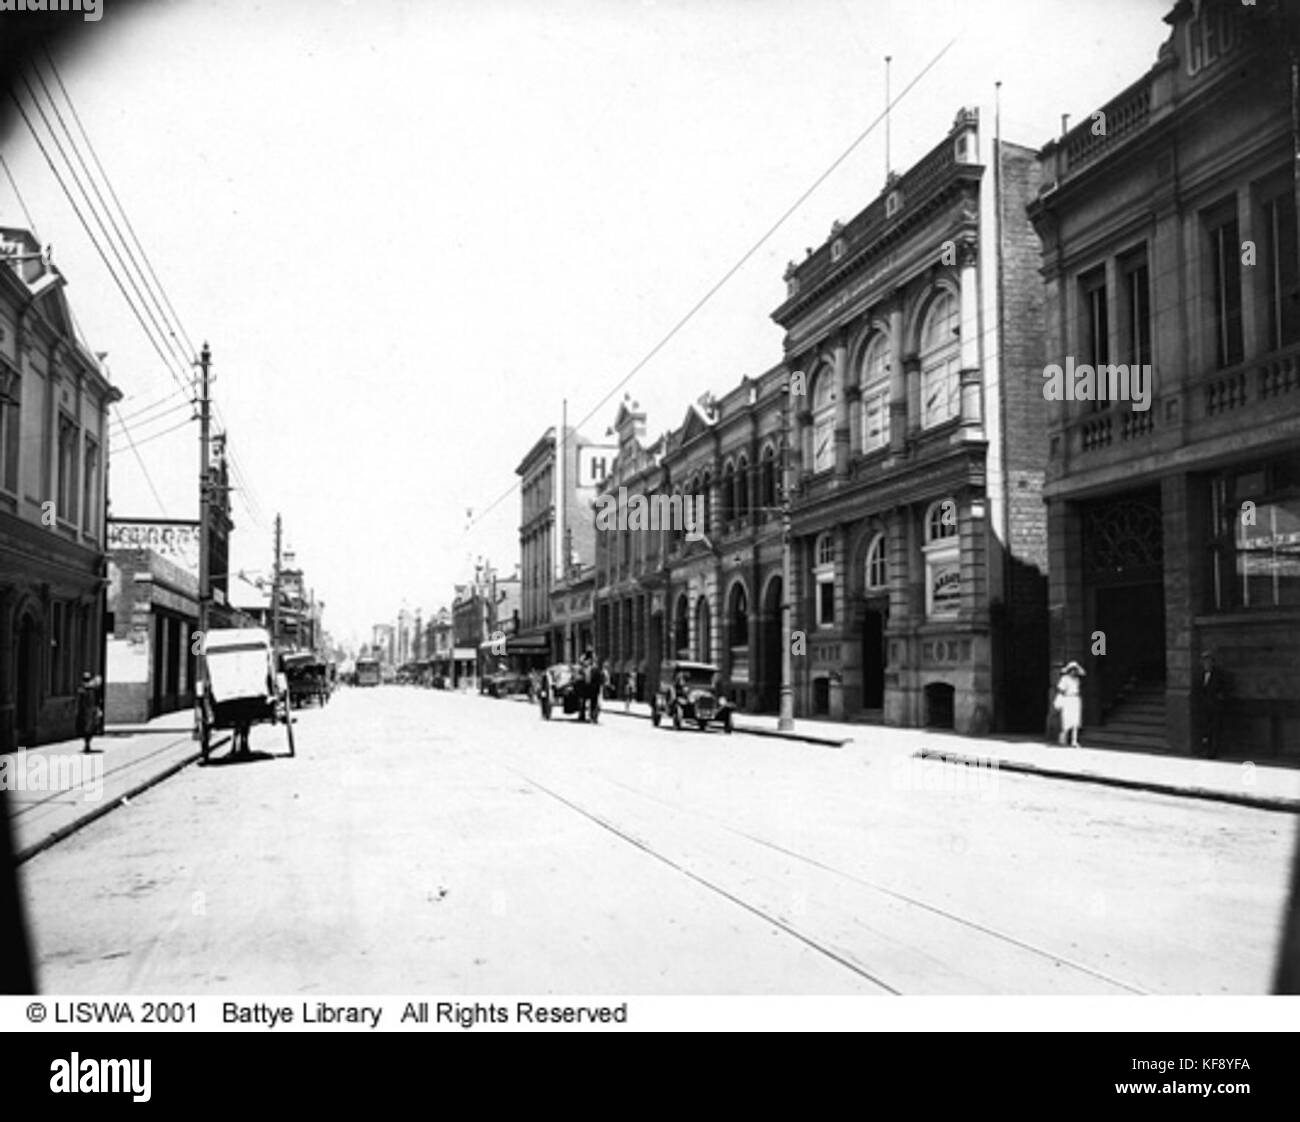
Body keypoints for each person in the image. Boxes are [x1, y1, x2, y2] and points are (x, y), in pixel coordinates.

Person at [1196, 649, 1228, 759]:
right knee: (1206, 730)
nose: (1206, 664)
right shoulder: (1201, 675)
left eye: (1208, 661)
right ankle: (1205, 749)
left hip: (1215, 707)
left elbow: (1224, 689)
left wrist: (1219, 698)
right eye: (1204, 661)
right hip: (1205, 708)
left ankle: (1213, 751)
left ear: (1212, 662)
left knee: (1215, 730)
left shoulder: (1219, 675)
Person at [1053, 660, 1085, 748]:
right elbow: (1060, 690)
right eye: (1072, 669)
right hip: (1068, 699)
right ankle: (1063, 739)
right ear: (1069, 670)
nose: (1074, 671)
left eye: (1075, 670)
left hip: (1075, 699)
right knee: (1066, 720)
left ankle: (1074, 741)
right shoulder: (1065, 678)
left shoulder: (1077, 679)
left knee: (1075, 721)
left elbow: (1083, 673)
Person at [75, 672, 101, 753]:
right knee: (90, 728)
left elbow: (79, 701)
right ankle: (87, 743)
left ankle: (87, 743)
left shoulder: (82, 689)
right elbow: (97, 701)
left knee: (85, 728)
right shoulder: (92, 689)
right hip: (89, 711)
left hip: (85, 711)